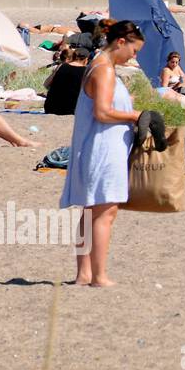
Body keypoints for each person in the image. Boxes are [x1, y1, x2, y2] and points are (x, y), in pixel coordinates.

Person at [60, 19, 144, 287]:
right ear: (121, 42)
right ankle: (99, 275)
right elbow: (103, 112)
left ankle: (84, 274)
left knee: (90, 211)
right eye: (134, 50)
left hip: (96, 146)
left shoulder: (100, 65)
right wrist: (136, 115)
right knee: (105, 212)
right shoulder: (104, 69)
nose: (134, 56)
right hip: (103, 148)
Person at [44, 43, 92, 115]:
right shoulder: (86, 71)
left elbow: (46, 84)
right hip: (71, 110)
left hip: (50, 108)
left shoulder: (61, 66)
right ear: (86, 60)